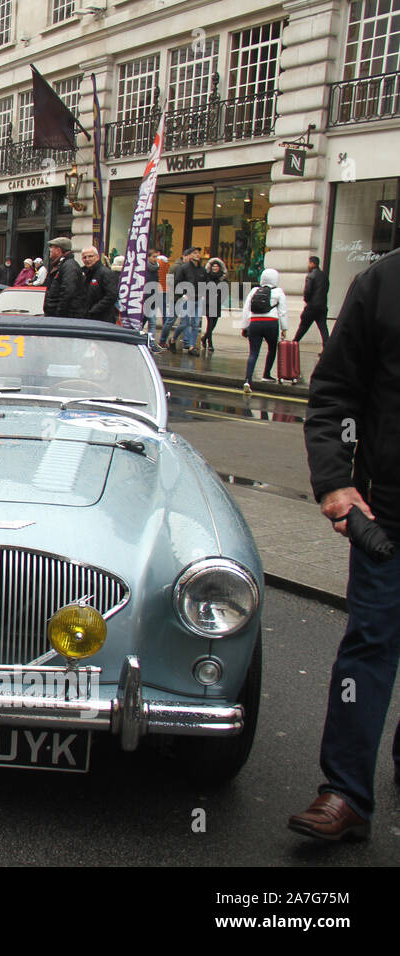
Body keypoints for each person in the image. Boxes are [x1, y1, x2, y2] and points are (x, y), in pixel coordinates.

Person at [291, 248, 400, 843]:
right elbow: (337, 394)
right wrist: (337, 484)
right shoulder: (381, 284)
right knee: (370, 645)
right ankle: (346, 793)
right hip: (388, 519)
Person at [239, 267, 287, 393]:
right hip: (271, 323)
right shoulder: (279, 292)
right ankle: (266, 374)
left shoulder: (254, 291)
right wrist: (284, 328)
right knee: (272, 348)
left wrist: (244, 326)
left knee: (253, 352)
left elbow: (246, 309)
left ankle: (248, 380)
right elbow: (282, 312)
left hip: (254, 323)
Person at [165, 246, 205, 354]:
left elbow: (205, 282)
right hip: (187, 299)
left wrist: (204, 294)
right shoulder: (183, 268)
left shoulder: (202, 269)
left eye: (198, 253)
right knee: (185, 323)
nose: (197, 255)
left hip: (198, 299)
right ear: (190, 255)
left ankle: (192, 347)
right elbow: (177, 282)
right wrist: (183, 295)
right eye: (195, 253)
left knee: (196, 324)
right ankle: (173, 339)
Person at [42, 238, 85, 318]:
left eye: (52, 247)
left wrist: (59, 314)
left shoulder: (69, 266)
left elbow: (68, 292)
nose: (50, 250)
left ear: (58, 250)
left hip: (63, 318)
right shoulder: (61, 265)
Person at [295, 255, 330, 345]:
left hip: (312, 306)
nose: (308, 265)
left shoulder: (311, 275)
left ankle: (294, 343)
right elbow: (326, 289)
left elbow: (307, 291)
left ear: (312, 263)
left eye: (309, 263)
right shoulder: (324, 276)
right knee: (323, 329)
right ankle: (327, 348)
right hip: (322, 306)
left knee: (303, 327)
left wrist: (307, 300)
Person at [80, 246, 119, 323]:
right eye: (85, 257)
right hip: (88, 317)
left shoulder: (105, 273)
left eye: (90, 256)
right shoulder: (85, 274)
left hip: (103, 319)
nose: (87, 259)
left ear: (97, 257)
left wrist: (94, 310)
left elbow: (112, 295)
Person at [197, 257, 228, 352]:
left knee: (214, 323)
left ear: (220, 267)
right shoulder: (207, 276)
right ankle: (210, 343)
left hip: (217, 303)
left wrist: (221, 300)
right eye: (213, 266)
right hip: (208, 302)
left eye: (216, 266)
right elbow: (202, 288)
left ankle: (204, 338)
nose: (215, 268)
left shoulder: (222, 278)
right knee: (210, 323)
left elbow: (225, 290)